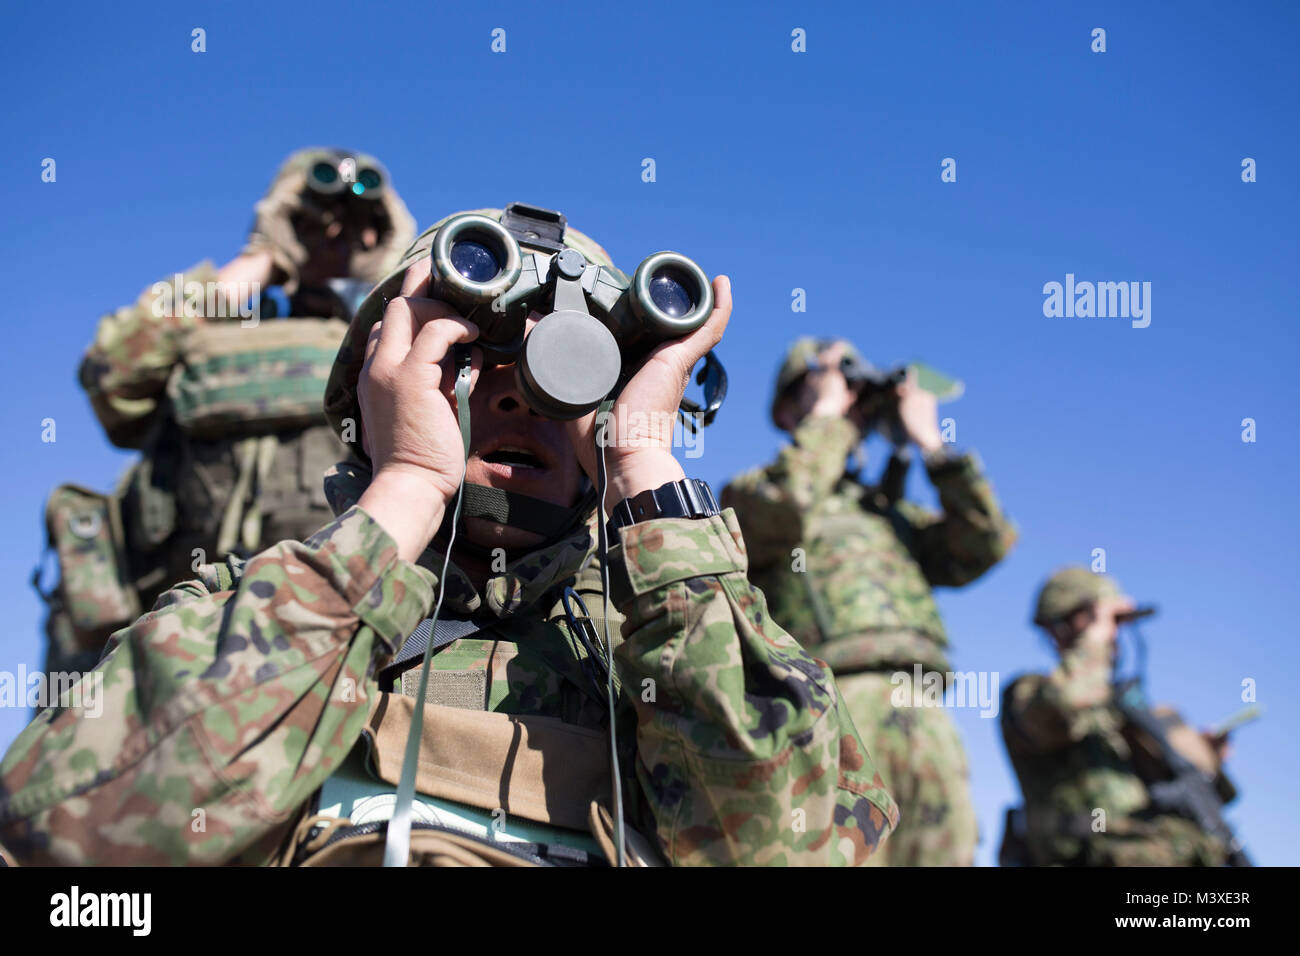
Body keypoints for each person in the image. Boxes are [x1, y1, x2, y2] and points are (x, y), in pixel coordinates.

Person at [0, 206, 898, 867]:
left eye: (569, 369)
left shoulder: (672, 650)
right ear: (383, 391)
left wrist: (647, 472)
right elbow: (69, 845)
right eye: (472, 361)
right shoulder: (254, 616)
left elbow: (811, 850)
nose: (517, 394)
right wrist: (407, 489)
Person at [42, 148, 414, 680]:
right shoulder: (201, 331)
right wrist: (263, 256)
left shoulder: (383, 341)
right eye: (312, 220)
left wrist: (392, 272)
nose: (334, 235)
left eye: (359, 225)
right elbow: (109, 371)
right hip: (166, 640)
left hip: (323, 638)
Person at [721, 338, 1017, 865]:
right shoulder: (754, 494)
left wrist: (930, 444)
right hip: (831, 706)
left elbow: (985, 545)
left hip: (924, 705)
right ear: (788, 408)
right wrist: (827, 416)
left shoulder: (885, 511)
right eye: (830, 382)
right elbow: (786, 502)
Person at [1000, 566, 1238, 866]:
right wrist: (1095, 637)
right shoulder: (1026, 694)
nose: (1114, 636)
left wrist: (1202, 758)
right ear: (1064, 626)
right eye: (1105, 621)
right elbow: (1064, 703)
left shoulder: (1127, 712)